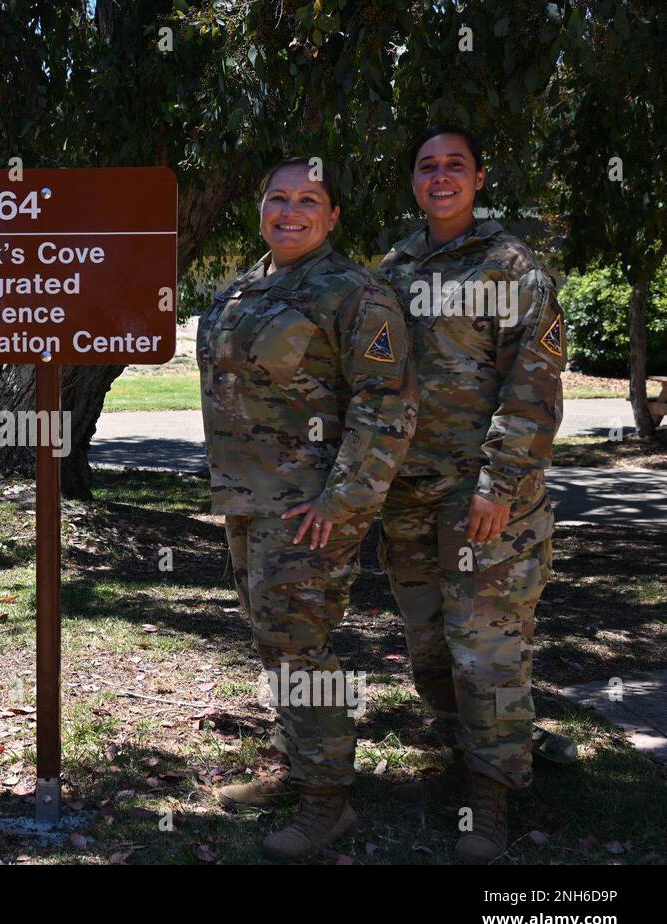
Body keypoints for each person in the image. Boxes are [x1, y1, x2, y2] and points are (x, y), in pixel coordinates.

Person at [198, 158, 417, 861]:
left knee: (302, 649)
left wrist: (344, 500)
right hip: (249, 506)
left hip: (310, 511)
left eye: (308, 200)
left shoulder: (355, 294)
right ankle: (298, 770)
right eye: (277, 197)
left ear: (332, 217)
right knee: (275, 644)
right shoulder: (241, 290)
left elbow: (387, 407)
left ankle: (328, 803)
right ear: (261, 207)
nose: (289, 211)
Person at [377, 126, 566, 864]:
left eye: (456, 164)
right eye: (427, 165)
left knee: (486, 651)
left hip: (487, 498)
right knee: (429, 647)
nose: (441, 175)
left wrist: (498, 483)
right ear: (415, 181)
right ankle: (475, 748)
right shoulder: (392, 268)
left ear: (480, 177)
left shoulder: (511, 266)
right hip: (408, 496)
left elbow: (533, 387)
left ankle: (491, 798)